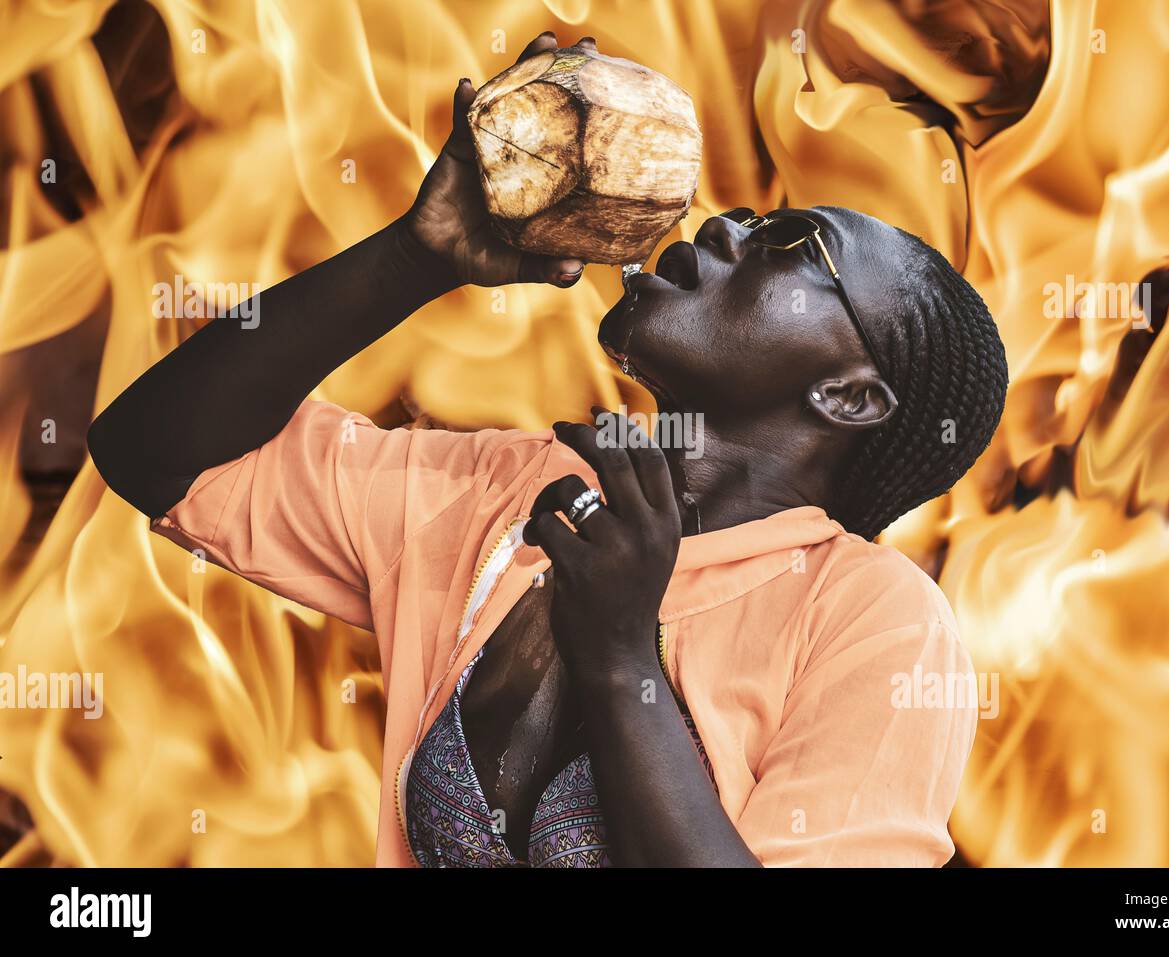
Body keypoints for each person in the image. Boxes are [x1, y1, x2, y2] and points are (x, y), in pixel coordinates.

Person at [88, 33, 1008, 867]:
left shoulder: (879, 620)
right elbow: (156, 452)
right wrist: (416, 256)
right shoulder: (522, 493)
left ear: (851, 394)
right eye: (756, 218)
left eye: (795, 244)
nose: (728, 225)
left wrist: (618, 657)